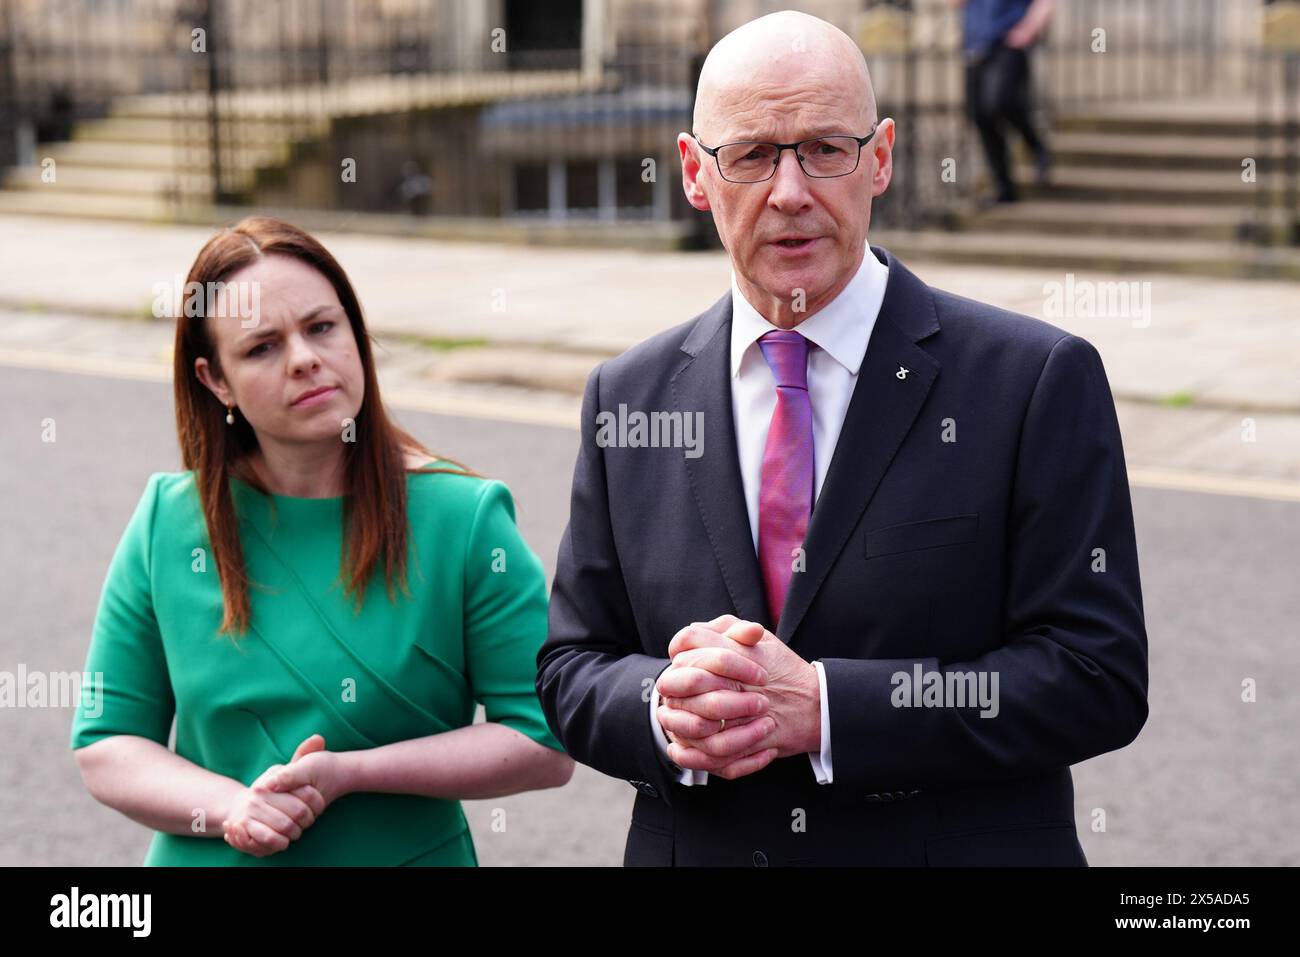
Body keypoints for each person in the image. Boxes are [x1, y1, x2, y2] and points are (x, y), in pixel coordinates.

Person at [536, 10, 1147, 866]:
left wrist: (828, 708)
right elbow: (572, 664)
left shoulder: (1033, 379)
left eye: (826, 148)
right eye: (751, 154)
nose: (790, 191)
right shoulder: (628, 394)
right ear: (694, 173)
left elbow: (1096, 676)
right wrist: (661, 706)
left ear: (883, 157)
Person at [70, 216, 572, 865]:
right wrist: (231, 807)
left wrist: (352, 772)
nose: (305, 357)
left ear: (354, 334)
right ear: (214, 380)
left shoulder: (464, 517)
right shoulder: (168, 520)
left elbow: (544, 738)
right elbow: (107, 742)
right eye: (262, 347)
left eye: (321, 327)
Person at [955, 0, 1055, 203]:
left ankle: (1036, 146)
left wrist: (1030, 28)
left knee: (999, 101)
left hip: (1007, 43)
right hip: (975, 45)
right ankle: (1004, 187)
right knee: (980, 116)